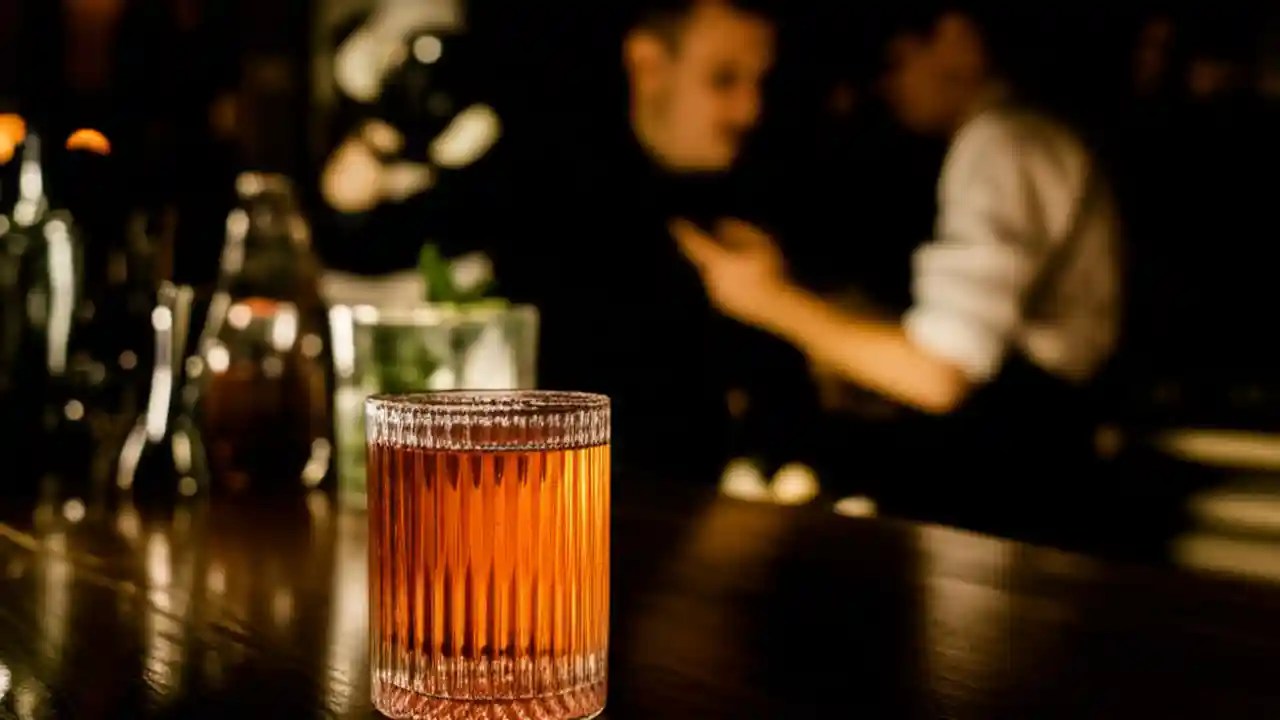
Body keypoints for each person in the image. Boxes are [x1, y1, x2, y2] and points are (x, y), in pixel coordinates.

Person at [674, 4, 1122, 532]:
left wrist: (769, 300)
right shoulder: (1016, 140)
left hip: (1022, 480)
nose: (888, 85)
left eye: (897, 61)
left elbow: (940, 373)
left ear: (955, 38)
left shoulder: (1006, 144)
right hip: (1028, 455)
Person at [496, 0, 776, 484]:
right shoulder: (547, 189)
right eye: (723, 79)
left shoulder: (753, 192)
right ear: (648, 65)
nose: (750, 109)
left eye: (760, 83)